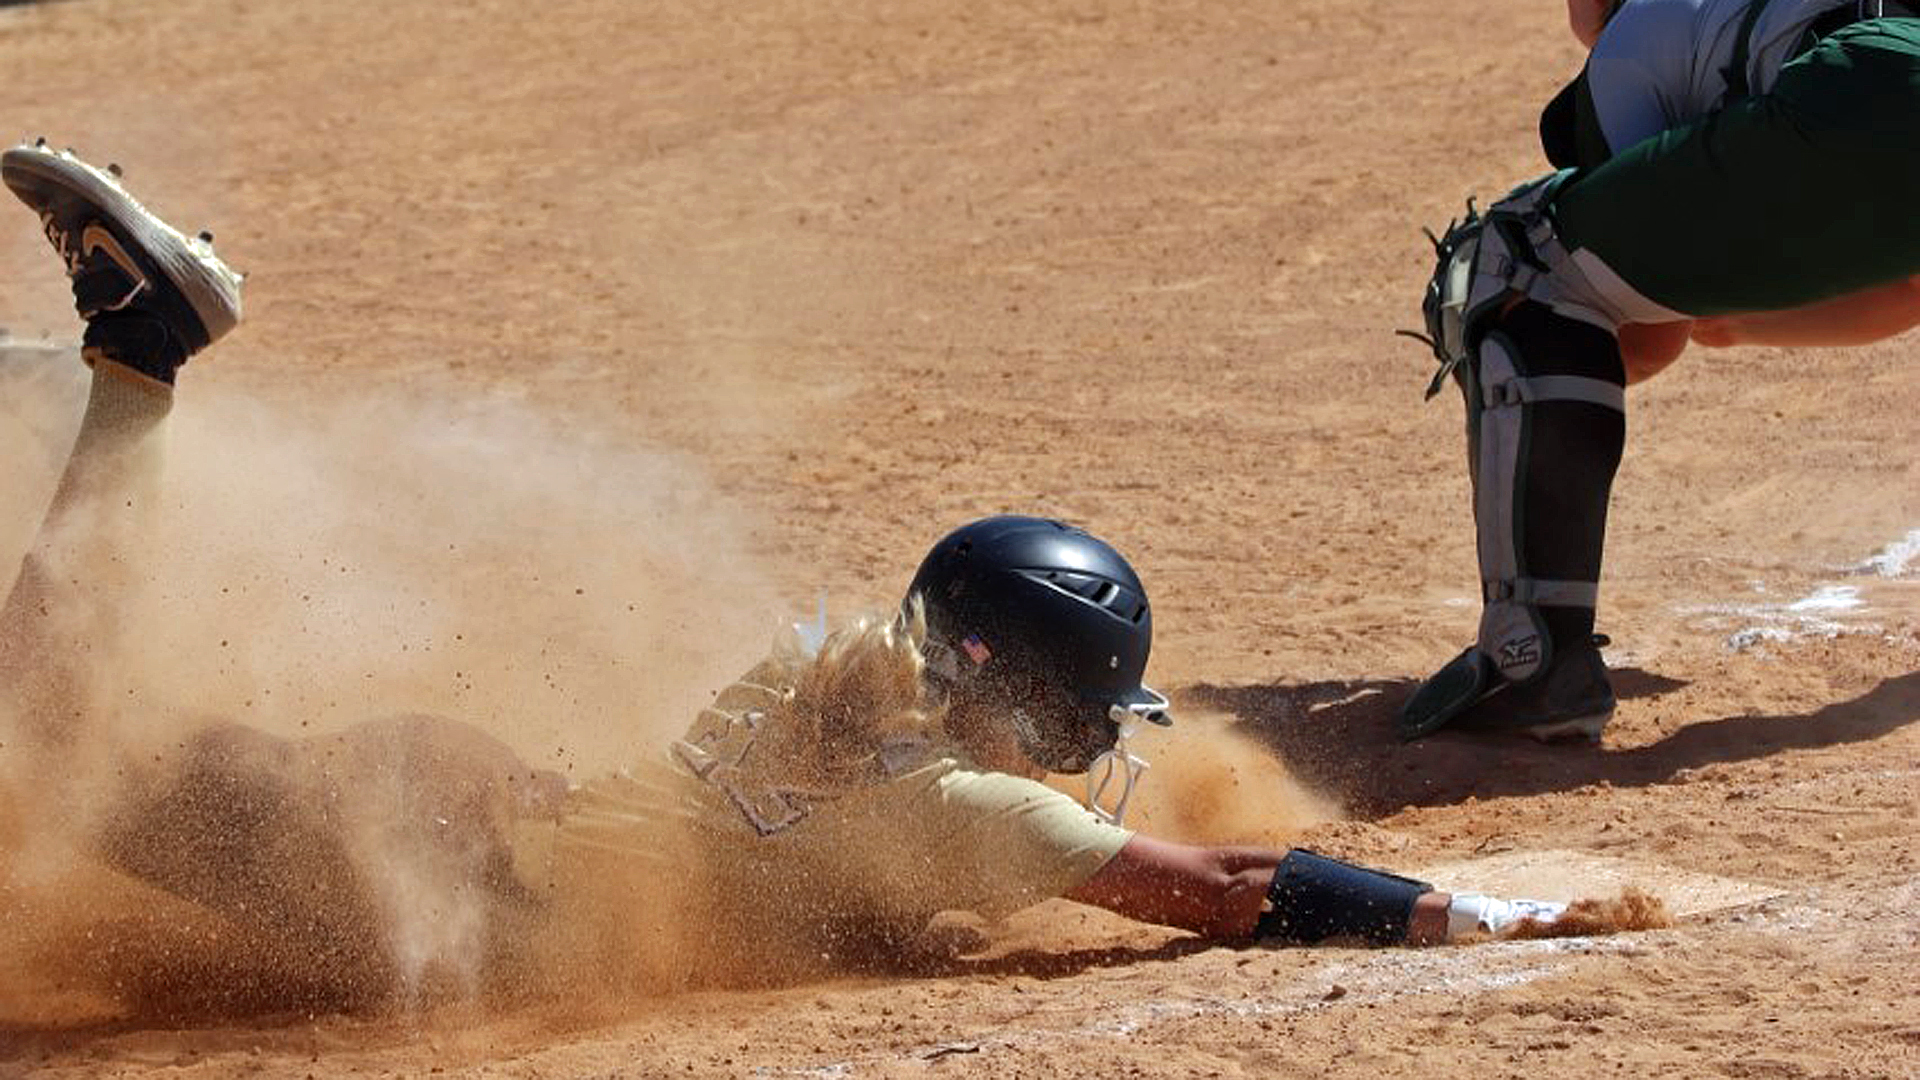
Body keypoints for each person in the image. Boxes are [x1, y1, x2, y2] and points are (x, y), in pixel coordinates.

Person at [0, 144, 1607, 1010]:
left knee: (47, 745)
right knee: (36, 734)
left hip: (466, 817)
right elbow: (1225, 892)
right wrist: (1479, 910)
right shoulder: (985, 810)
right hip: (433, 867)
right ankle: (134, 360)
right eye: (1088, 711)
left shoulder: (849, 679)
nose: (1101, 741)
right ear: (1029, 699)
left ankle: (86, 405)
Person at [1398, 0, 1920, 742]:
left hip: (1858, 91)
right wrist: (1739, 326)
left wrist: (1517, 374)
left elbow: (1637, 319)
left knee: (1514, 264)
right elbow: (1907, 290)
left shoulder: (1633, 41)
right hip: (1872, 84)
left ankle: (1533, 655)